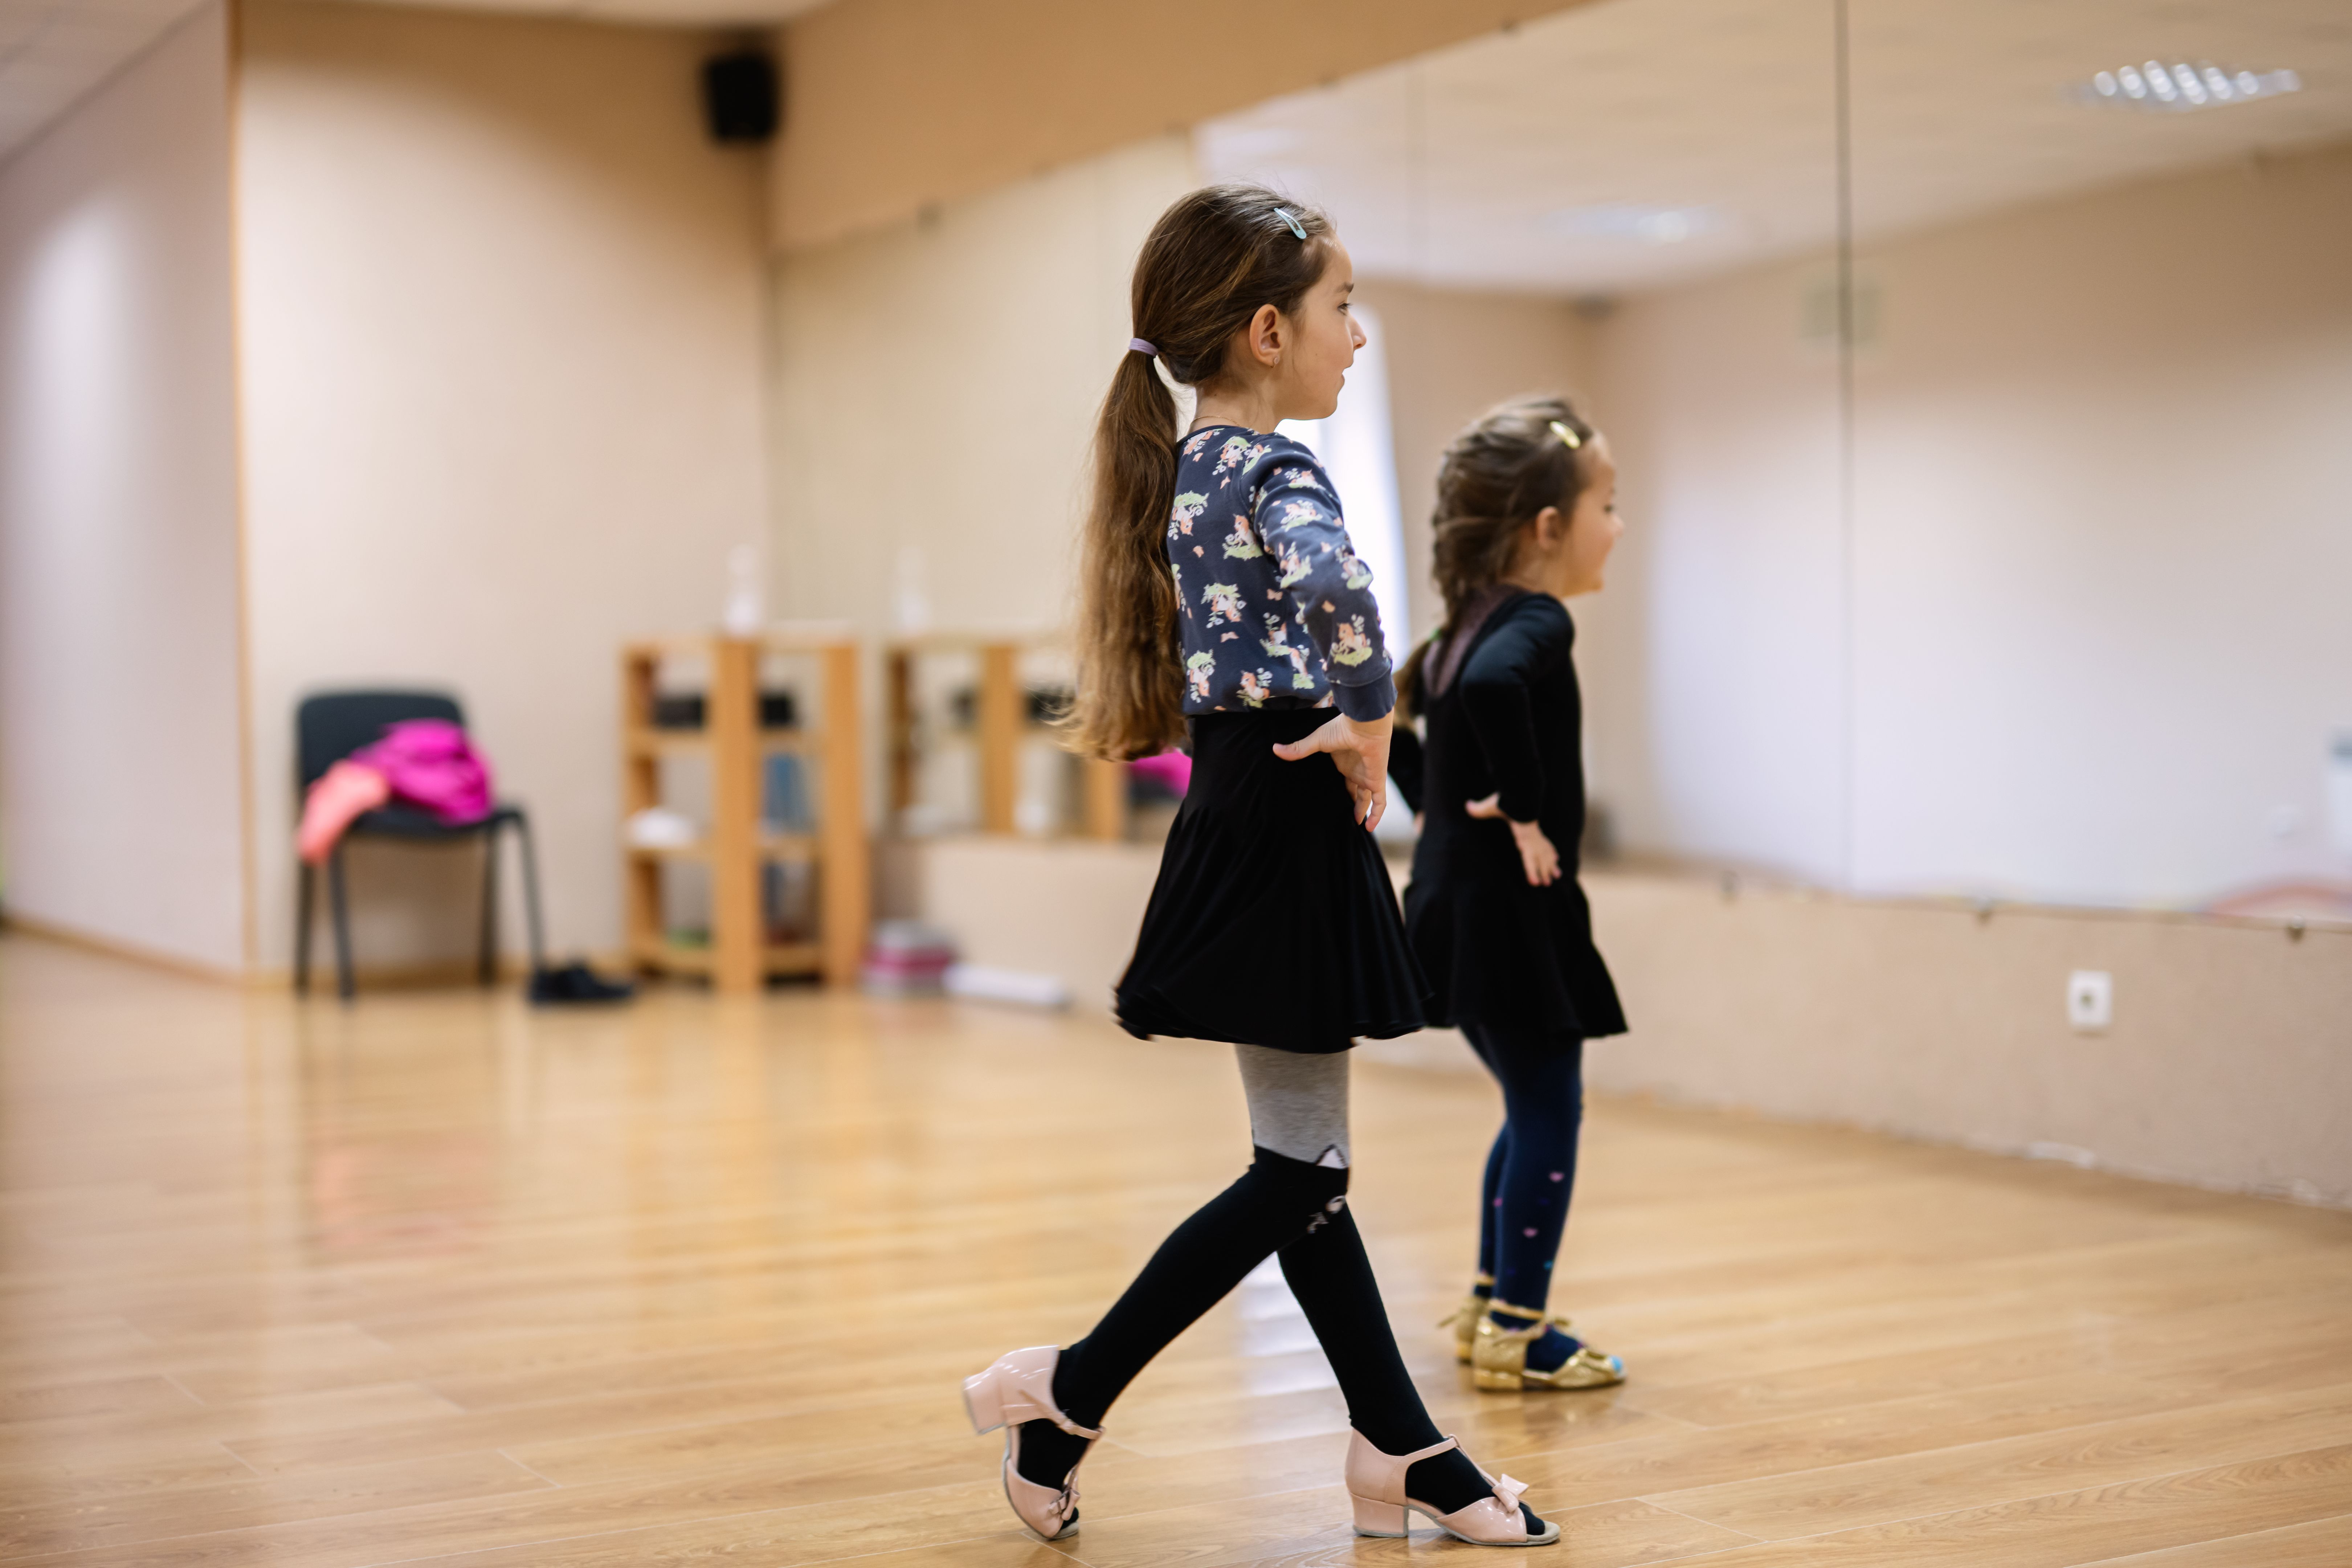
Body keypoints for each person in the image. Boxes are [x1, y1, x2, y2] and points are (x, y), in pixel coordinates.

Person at [960, 187, 1558, 1550]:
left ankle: (1397, 1449)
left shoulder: (1186, 469)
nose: (1360, 334)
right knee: (1300, 1174)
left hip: (1246, 796)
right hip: (1287, 811)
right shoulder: (1281, 472)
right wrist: (1371, 717)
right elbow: (1347, 597)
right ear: (1271, 330)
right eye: (1345, 308)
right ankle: (1071, 1388)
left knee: (1309, 1167)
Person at [1388, 396, 1632, 1395]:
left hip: (1452, 900)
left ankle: (1496, 1306)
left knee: (1528, 1103)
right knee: (1549, 1110)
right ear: (1547, 529)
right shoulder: (1531, 620)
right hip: (1509, 908)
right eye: (1608, 505)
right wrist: (1526, 814)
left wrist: (1457, 815)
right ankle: (1520, 1333)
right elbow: (1493, 694)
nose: (1618, 527)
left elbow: (1421, 754)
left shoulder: (1458, 627)